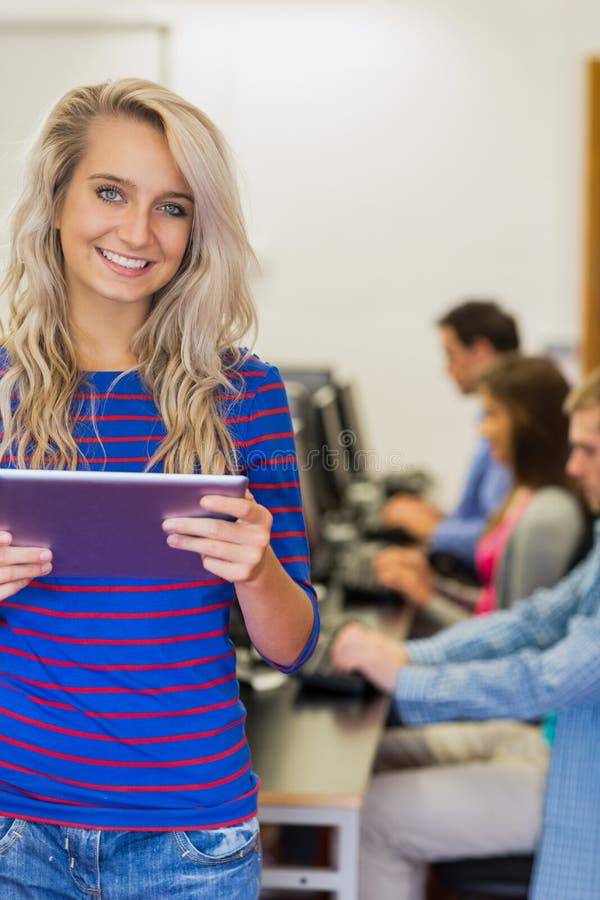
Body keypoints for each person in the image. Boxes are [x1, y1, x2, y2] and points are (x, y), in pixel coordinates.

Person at [0, 78, 319, 899]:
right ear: (58, 200)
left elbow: (291, 644)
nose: (138, 231)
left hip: (191, 843)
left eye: (173, 207)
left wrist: (257, 571)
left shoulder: (243, 393)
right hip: (14, 830)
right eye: (111, 192)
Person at [331, 365, 600, 900]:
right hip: (561, 739)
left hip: (581, 773)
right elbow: (535, 620)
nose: (573, 467)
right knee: (367, 766)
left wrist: (408, 680)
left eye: (590, 451)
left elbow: (546, 680)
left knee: (376, 814)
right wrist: (406, 656)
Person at [374, 354, 586, 626]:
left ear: (526, 423)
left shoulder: (548, 515)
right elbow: (496, 605)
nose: (483, 430)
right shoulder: (525, 494)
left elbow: (512, 638)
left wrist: (427, 599)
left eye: (492, 415)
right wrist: (432, 585)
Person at [383, 300, 519, 569]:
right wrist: (439, 519)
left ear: (480, 352)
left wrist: (435, 531)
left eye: (450, 354)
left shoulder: (513, 427)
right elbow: (487, 515)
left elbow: (499, 539)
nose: (447, 369)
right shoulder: (492, 418)